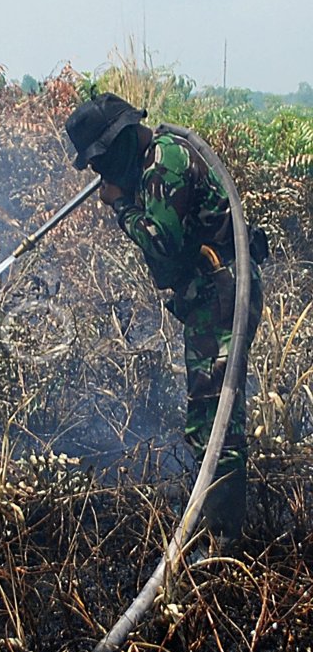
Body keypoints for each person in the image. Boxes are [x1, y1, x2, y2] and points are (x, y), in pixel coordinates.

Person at [65, 92, 265, 550]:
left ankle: (222, 540)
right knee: (207, 414)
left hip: (224, 292)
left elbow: (163, 242)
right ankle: (207, 515)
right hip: (210, 294)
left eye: (102, 161)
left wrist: (121, 205)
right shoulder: (153, 160)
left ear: (120, 141)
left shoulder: (165, 162)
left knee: (215, 418)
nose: (101, 173)